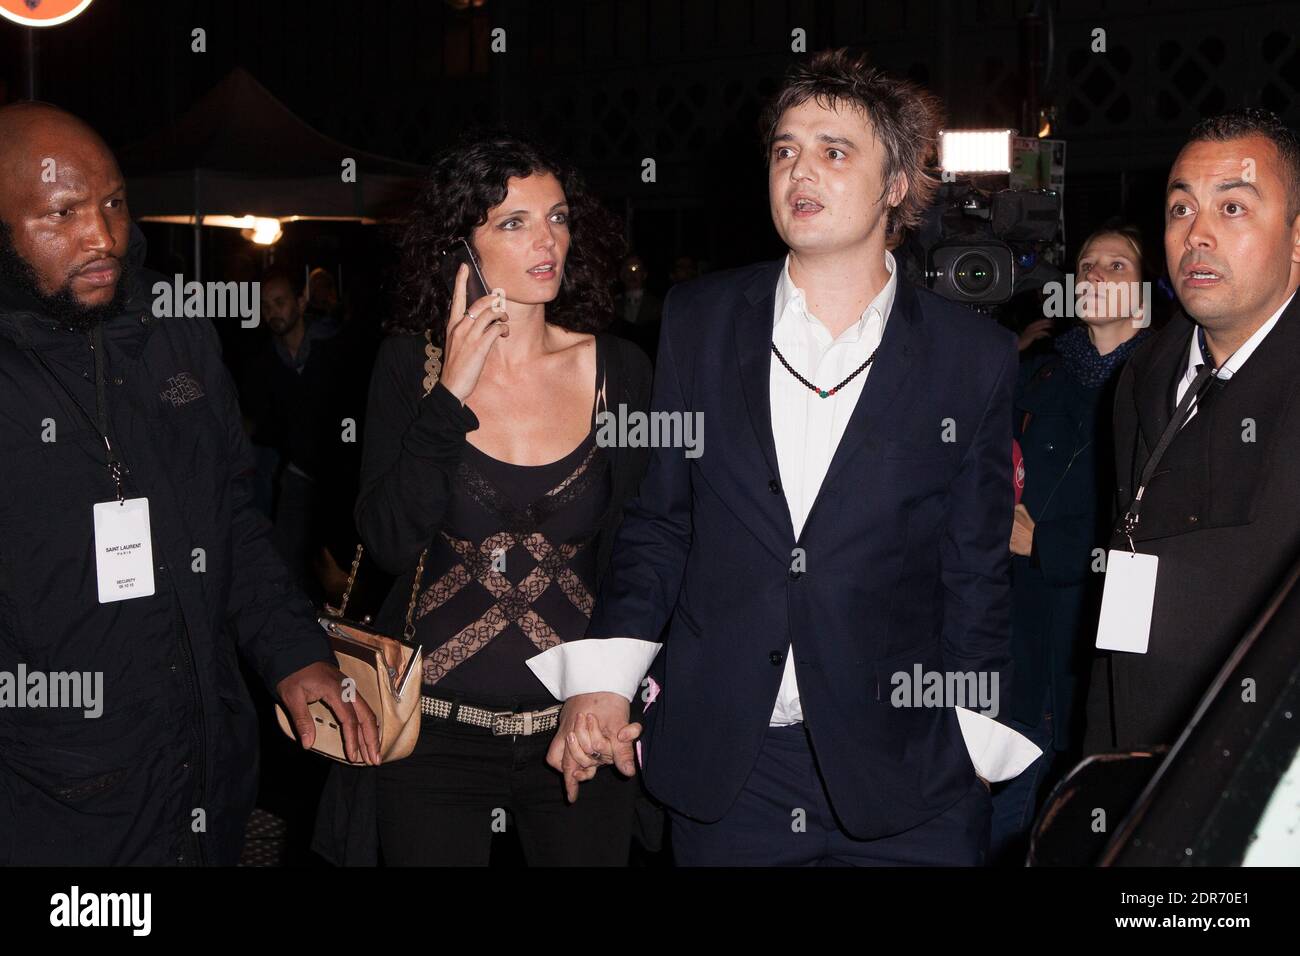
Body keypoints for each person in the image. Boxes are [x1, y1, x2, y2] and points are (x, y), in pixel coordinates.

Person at [529, 50, 1039, 866]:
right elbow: (663, 523)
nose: (800, 168)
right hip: (734, 769)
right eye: (784, 150)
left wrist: (975, 744)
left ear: (898, 183)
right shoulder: (699, 319)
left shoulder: (970, 357)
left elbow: (972, 570)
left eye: (834, 151)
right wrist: (604, 676)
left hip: (908, 770)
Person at [0, 102, 377, 865]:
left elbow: (233, 519)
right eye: (61, 214)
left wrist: (292, 651)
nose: (101, 236)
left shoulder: (175, 334)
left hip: (205, 767)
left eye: (111, 202)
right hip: (51, 799)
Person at [315, 133, 653, 866]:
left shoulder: (619, 373)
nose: (547, 242)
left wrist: (630, 690)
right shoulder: (412, 365)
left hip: (577, 731)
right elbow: (390, 538)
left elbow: (645, 548)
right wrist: (450, 397)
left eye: (557, 218)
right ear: (458, 247)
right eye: (513, 222)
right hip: (433, 736)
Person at [1085, 108, 1300, 752]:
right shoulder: (1145, 371)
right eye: (1181, 210)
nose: (1197, 236)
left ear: (1296, 237)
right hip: (1140, 758)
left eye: (1232, 209)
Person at [991, 222, 1152, 863]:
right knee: (1006, 801)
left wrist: (1049, 545)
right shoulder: (1036, 375)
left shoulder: (1166, 378)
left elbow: (1161, 521)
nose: (1096, 275)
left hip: (1101, 633)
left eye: (1116, 266)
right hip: (1021, 626)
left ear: (1142, 292)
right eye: (1087, 264)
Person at [239, 266, 346, 598]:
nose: (273, 312)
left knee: (341, 571)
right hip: (298, 474)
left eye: (279, 302)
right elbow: (263, 422)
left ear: (301, 302)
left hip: (341, 478)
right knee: (285, 566)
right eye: (266, 306)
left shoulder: (336, 349)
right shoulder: (263, 363)